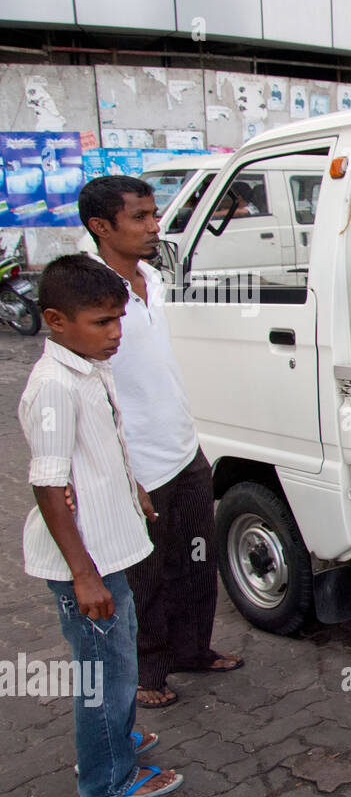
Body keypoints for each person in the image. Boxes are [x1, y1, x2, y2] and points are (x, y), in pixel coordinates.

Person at [19, 254, 183, 797]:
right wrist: (83, 576)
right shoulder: (54, 387)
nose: (116, 334)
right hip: (85, 565)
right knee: (104, 675)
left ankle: (114, 741)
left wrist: (131, 487)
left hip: (109, 551)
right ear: (55, 320)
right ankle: (105, 778)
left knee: (118, 660)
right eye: (101, 322)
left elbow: (101, 448)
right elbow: (48, 484)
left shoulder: (90, 367)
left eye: (119, 320)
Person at [79, 176, 240, 709]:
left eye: (154, 214)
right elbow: (91, 391)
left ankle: (194, 649)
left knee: (197, 558)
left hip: (180, 445)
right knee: (148, 574)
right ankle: (150, 673)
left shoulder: (150, 275)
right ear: (102, 227)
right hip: (138, 461)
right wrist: (124, 474)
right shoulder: (89, 294)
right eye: (140, 218)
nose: (154, 226)